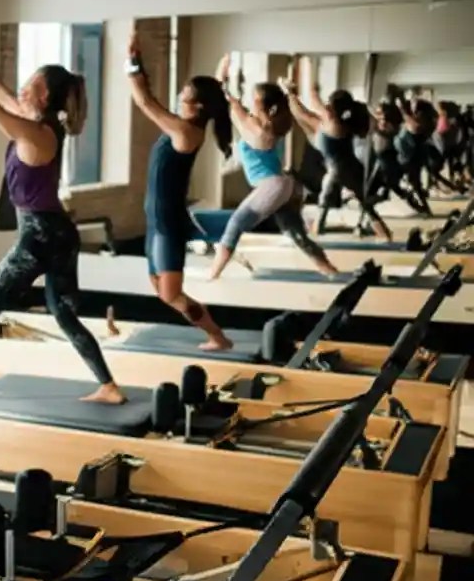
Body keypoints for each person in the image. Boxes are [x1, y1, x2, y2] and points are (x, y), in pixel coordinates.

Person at [0, 18, 126, 404]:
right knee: (62, 314)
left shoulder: (36, 134)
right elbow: (2, 93)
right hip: (56, 230)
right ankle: (109, 387)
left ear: (44, 98)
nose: (23, 87)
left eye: (32, 85)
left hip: (40, 235)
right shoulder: (39, 124)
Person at [127, 37, 233, 351]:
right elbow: (152, 98)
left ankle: (217, 336)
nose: (178, 96)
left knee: (171, 293)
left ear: (197, 105)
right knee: (160, 288)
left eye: (184, 94)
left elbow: (145, 102)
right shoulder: (183, 126)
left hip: (168, 223)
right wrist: (220, 77)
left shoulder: (186, 133)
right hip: (156, 219)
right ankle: (212, 332)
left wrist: (131, 64)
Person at [206, 61, 337, 279]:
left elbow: (231, 104)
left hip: (272, 186)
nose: (251, 103)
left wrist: (222, 78)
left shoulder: (257, 129)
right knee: (295, 233)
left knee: (235, 224)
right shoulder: (273, 125)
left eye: (255, 100)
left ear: (270, 108)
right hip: (283, 185)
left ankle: (213, 273)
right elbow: (236, 104)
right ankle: (329, 270)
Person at [285, 63, 392, 240]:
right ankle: (385, 236)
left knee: (331, 202)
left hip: (339, 170)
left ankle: (318, 233)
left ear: (335, 108)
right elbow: (306, 110)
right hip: (346, 167)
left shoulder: (331, 122)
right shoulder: (341, 122)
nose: (326, 106)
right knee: (358, 204)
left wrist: (297, 84)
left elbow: (307, 107)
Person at [395, 96, 437, 216]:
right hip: (416, 156)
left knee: (413, 183)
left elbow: (408, 120)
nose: (411, 106)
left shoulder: (417, 122)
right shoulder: (426, 120)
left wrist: (401, 107)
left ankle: (423, 208)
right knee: (414, 183)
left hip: (409, 157)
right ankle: (422, 207)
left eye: (413, 105)